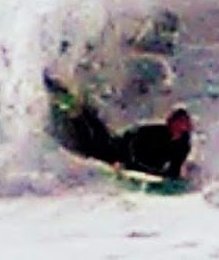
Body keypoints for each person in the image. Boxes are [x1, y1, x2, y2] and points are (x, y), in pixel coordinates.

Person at [44, 73, 193, 181]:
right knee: (92, 139)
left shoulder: (183, 145)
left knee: (91, 140)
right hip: (118, 150)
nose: (176, 126)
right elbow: (134, 136)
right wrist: (128, 162)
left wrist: (171, 179)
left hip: (123, 157)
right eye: (175, 122)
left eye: (181, 124)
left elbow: (173, 169)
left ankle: (73, 110)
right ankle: (68, 101)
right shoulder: (157, 132)